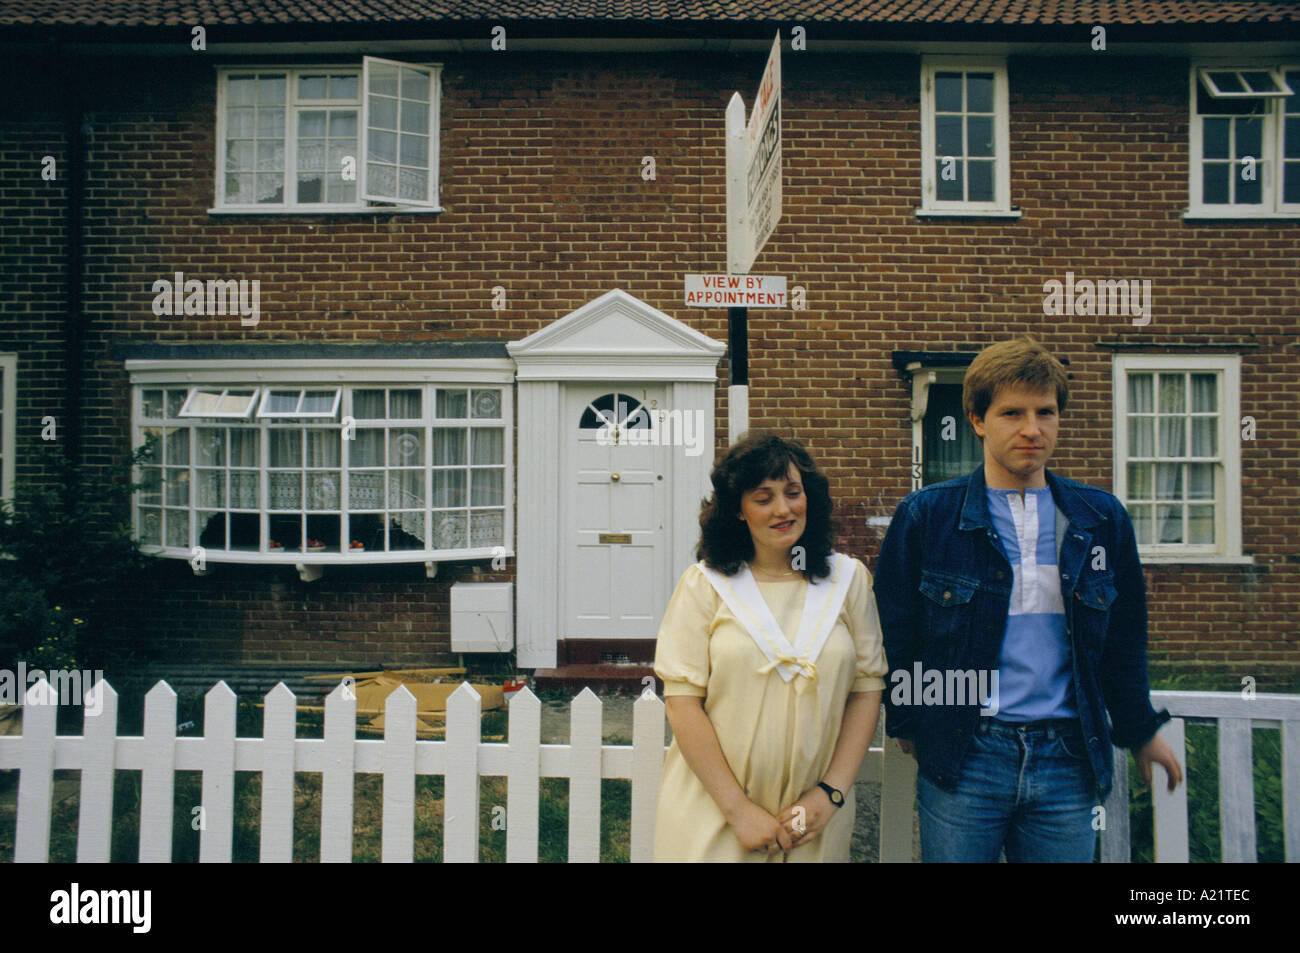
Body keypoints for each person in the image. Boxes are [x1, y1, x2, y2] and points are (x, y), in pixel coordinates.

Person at [873, 336, 1183, 863]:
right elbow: (895, 633)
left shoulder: (1100, 519)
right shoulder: (927, 517)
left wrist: (1138, 729)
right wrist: (910, 721)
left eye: (1046, 412)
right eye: (1012, 413)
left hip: (1067, 756)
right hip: (967, 752)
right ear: (977, 419)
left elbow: (1124, 640)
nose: (1031, 429)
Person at [652, 432, 887, 862]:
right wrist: (739, 811)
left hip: (810, 820)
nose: (783, 509)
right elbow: (682, 705)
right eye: (763, 498)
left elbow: (867, 691)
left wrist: (830, 794)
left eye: (793, 493)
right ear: (737, 511)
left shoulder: (848, 581)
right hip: (716, 814)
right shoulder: (705, 586)